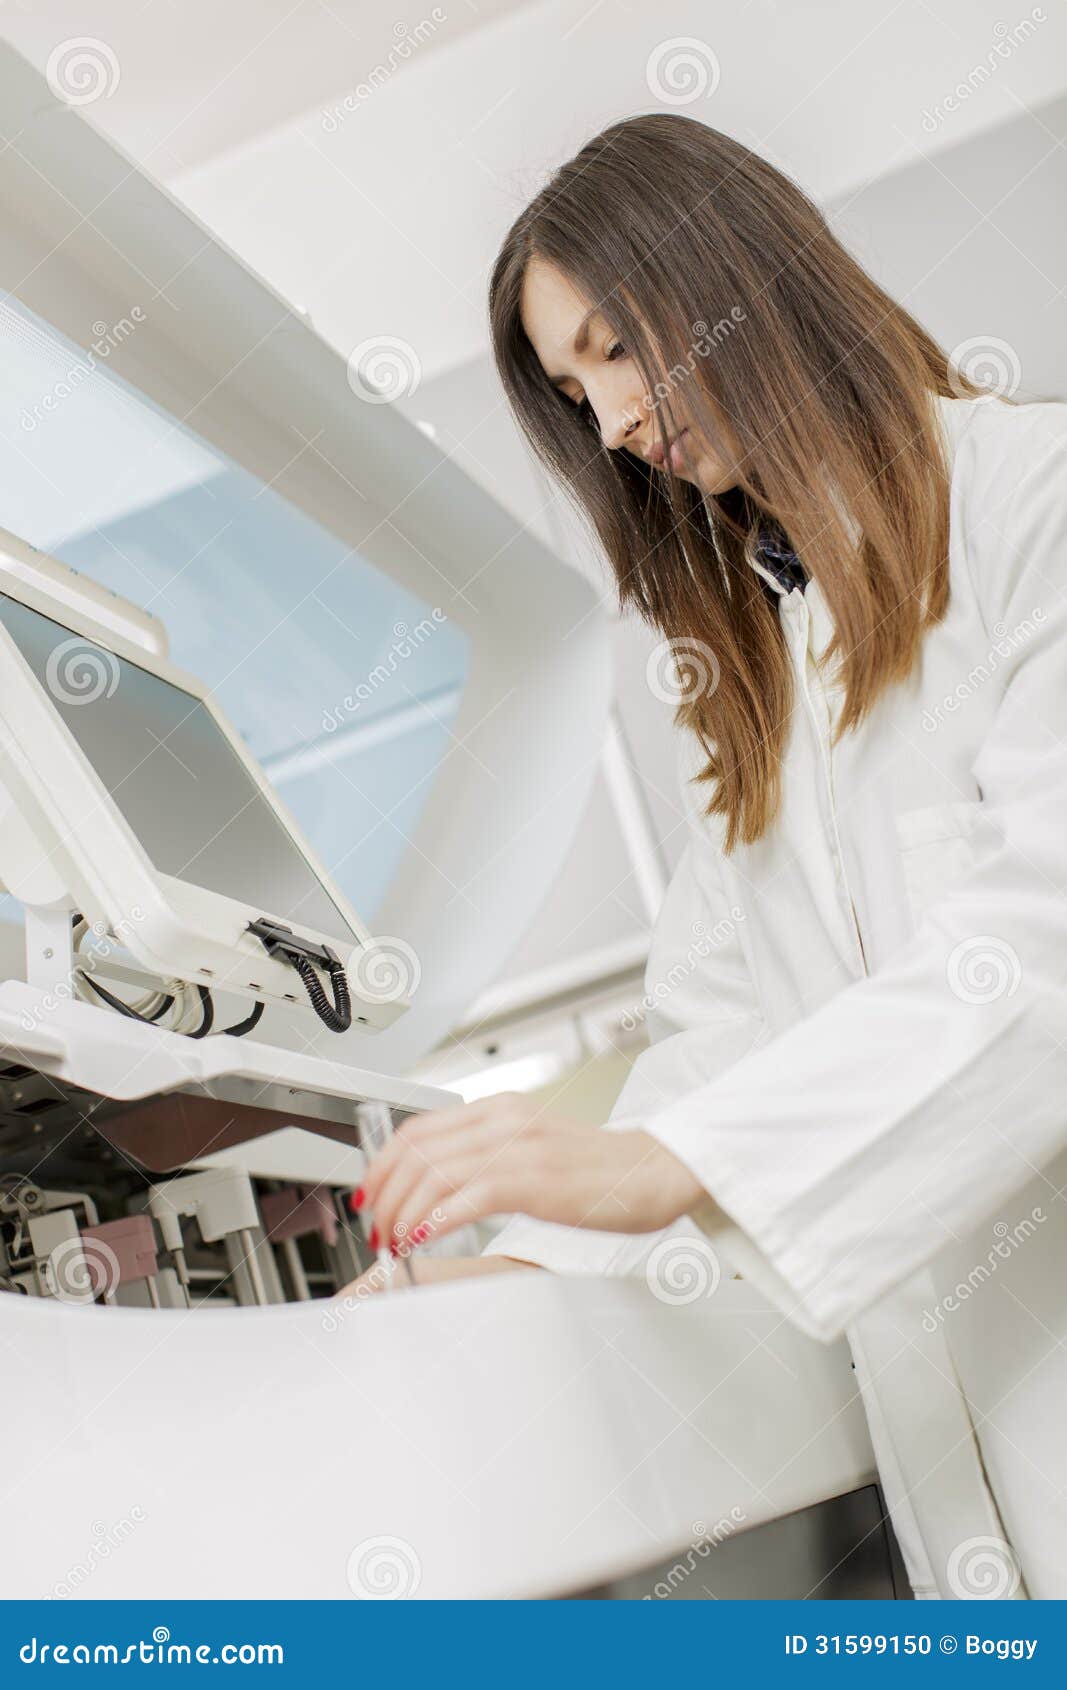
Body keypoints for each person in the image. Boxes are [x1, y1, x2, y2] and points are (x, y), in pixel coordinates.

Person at [340, 114, 1067, 1599]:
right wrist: (525, 1267)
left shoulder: (1032, 501)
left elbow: (1041, 945)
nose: (609, 424)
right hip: (969, 1460)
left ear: (740, 273)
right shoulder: (760, 666)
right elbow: (716, 1039)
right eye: (570, 386)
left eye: (615, 347)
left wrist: (668, 1164)